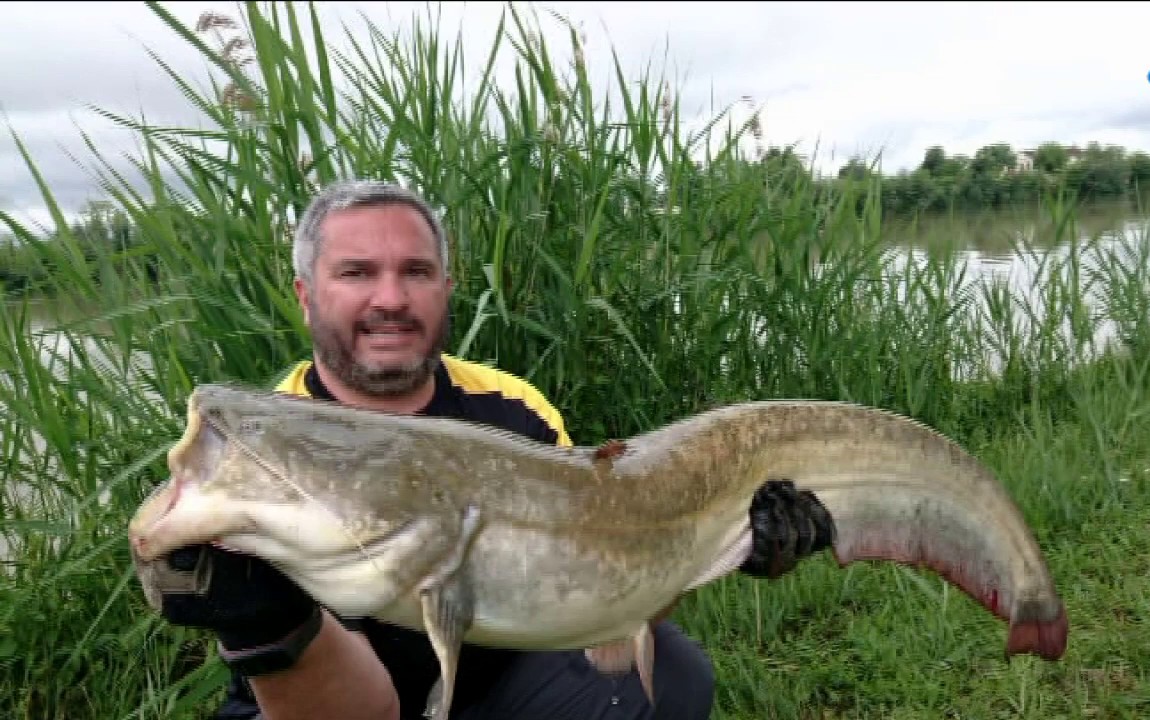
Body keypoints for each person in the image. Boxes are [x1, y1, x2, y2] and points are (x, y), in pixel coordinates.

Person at [148, 179, 837, 720]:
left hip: (491, 679)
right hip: (326, 702)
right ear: (305, 296)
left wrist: (724, 542)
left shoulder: (512, 411)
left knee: (672, 676)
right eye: (356, 273)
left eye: (416, 271)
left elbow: (603, 592)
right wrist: (266, 623)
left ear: (446, 289)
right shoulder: (266, 452)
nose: (391, 297)